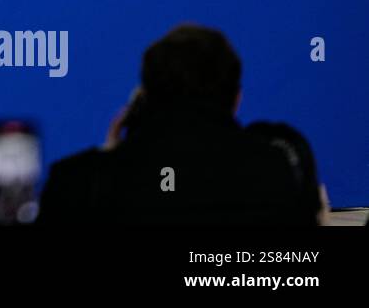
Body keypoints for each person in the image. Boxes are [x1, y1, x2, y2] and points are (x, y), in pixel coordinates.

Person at [37, 24, 318, 225]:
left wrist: (106, 159)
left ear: (143, 99)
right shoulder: (280, 171)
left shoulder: (78, 182)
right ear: (237, 99)